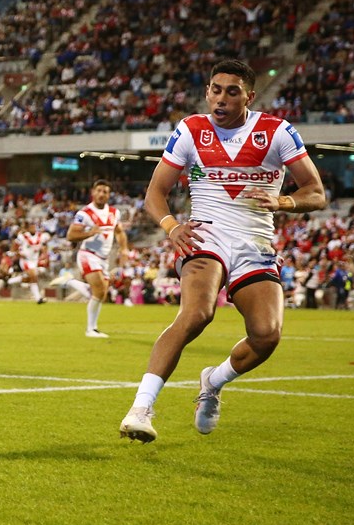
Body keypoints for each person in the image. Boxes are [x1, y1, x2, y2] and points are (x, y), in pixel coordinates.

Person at [119, 59, 325, 443]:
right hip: (205, 237)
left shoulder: (277, 132)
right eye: (215, 90)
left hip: (255, 244)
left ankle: (213, 381)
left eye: (232, 92)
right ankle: (140, 409)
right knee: (197, 313)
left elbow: (315, 193)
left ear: (249, 96)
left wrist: (283, 202)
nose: (221, 98)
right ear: (207, 92)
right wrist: (172, 226)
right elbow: (155, 193)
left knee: (267, 335)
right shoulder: (190, 129)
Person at [66, 178, 130, 337]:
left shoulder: (114, 212)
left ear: (109, 195)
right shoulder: (84, 214)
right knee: (99, 290)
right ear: (93, 193)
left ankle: (70, 282)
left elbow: (119, 232)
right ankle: (91, 329)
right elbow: (71, 235)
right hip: (88, 254)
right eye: (99, 191)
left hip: (104, 258)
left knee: (101, 294)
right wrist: (90, 233)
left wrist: (124, 249)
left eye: (105, 192)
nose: (102, 194)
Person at [7, 220, 51, 304]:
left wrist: (44, 254)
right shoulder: (23, 236)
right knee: (34, 276)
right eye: (31, 227)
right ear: (28, 229)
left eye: (34, 227)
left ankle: (15, 280)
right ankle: (38, 299)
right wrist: (14, 252)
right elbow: (15, 244)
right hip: (25, 260)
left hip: (34, 261)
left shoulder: (41, 236)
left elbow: (45, 245)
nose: (33, 229)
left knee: (31, 279)